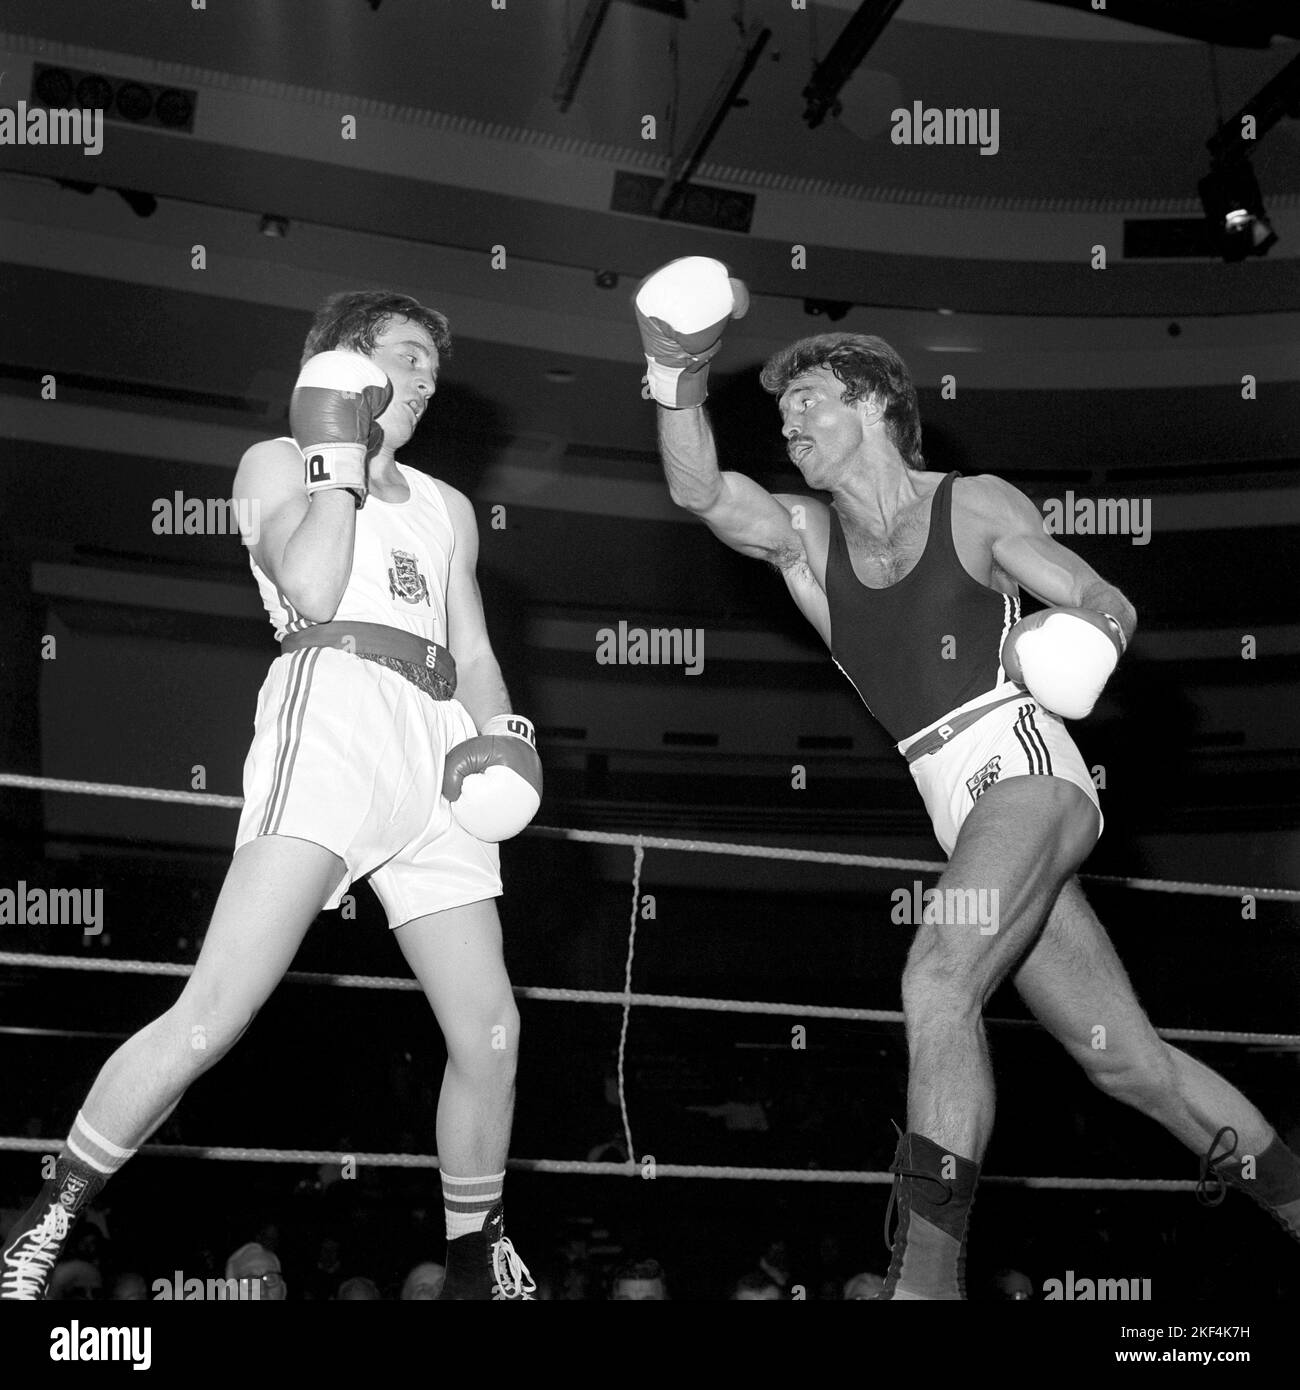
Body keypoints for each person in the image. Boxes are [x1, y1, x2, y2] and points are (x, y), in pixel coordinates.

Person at [636, 256, 1300, 1300]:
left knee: (937, 976)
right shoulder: (808, 539)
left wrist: (1084, 636)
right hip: (960, 804)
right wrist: (673, 369)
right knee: (1126, 1060)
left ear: (872, 404)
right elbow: (699, 490)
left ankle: (927, 1279)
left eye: (806, 399)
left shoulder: (974, 502)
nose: (788, 423)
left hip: (1025, 767)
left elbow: (1098, 594)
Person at [2, 291, 540, 1303]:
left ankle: (477, 1259)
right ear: (342, 362)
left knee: (492, 1030)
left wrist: (501, 738)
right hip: (332, 702)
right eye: (406, 356)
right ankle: (50, 1213)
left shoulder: (447, 508)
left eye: (433, 366)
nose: (425, 379)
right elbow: (312, 587)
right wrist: (333, 453)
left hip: (433, 742)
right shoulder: (270, 466)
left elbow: (472, 649)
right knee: (214, 1014)